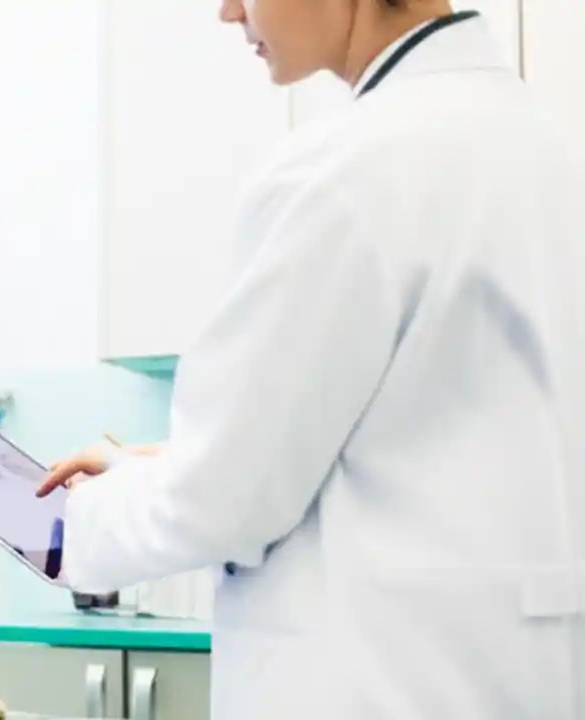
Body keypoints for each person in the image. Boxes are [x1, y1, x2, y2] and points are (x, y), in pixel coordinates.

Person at [38, 1, 585, 718]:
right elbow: (426, 446)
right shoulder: (546, 148)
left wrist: (63, 531)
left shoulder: (347, 168)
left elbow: (222, 502)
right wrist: (162, 466)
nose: (229, 12)